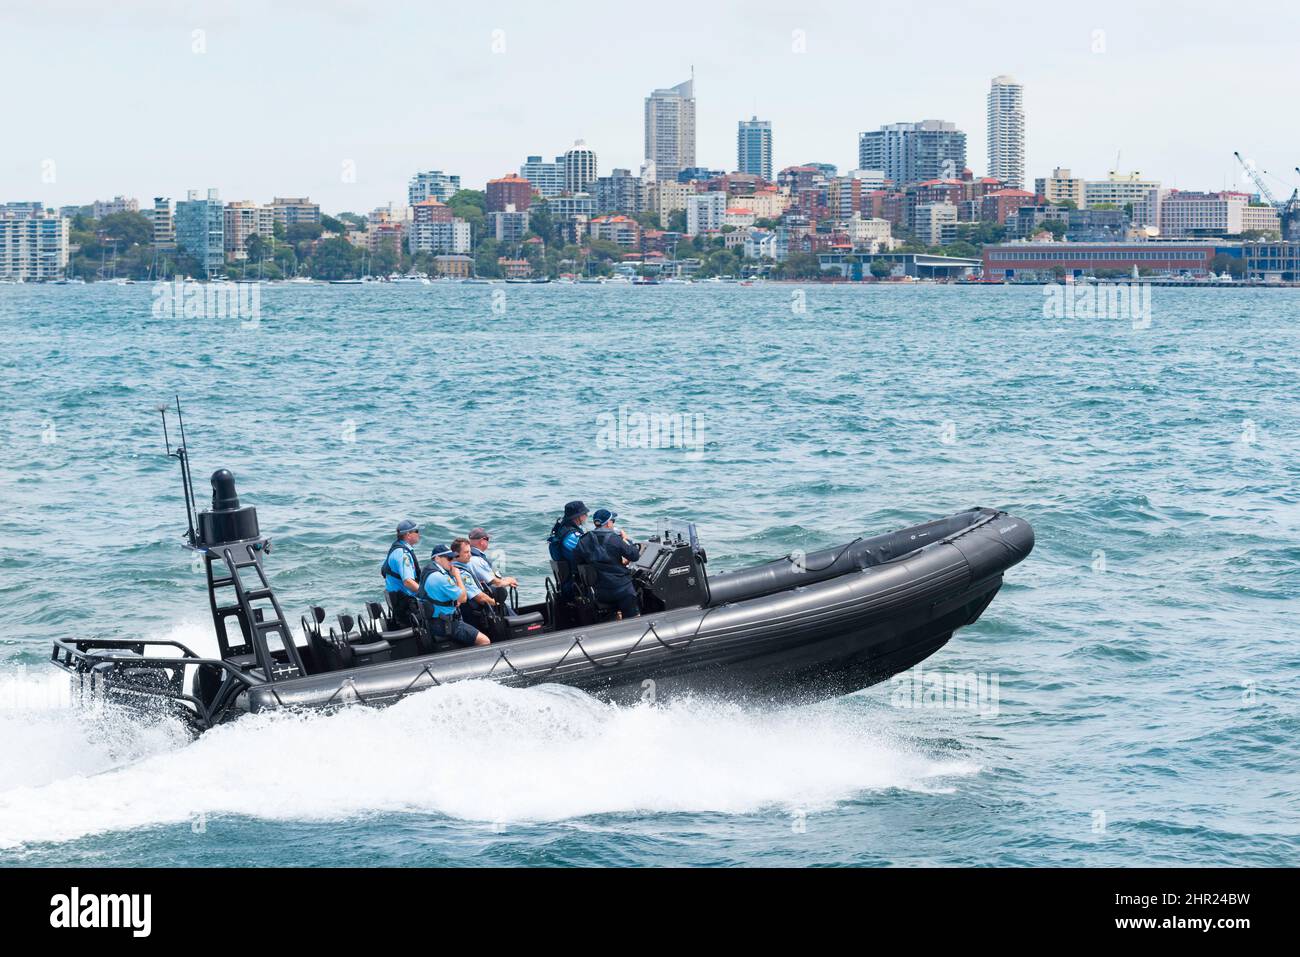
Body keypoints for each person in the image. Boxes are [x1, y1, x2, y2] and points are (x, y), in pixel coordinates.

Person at [574, 508, 642, 619]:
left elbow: (578, 561)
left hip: (601, 592)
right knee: (633, 605)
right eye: (613, 521)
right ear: (608, 523)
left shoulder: (584, 540)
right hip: (622, 590)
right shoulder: (615, 539)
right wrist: (626, 540)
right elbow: (634, 556)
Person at [419, 543, 490, 647]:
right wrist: (457, 576)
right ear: (437, 558)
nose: (452, 561)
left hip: (434, 621)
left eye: (453, 558)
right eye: (449, 558)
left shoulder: (428, 572)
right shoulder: (440, 577)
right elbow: (463, 598)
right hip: (444, 624)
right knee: (484, 640)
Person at [450, 537, 501, 634]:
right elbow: (480, 598)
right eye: (466, 552)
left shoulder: (462, 568)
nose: (470, 555)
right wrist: (496, 603)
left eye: (470, 551)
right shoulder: (461, 574)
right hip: (474, 617)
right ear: (456, 554)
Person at [381, 520, 422, 629]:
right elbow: (408, 581)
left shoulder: (396, 549)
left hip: (399, 603)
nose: (419, 534)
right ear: (408, 534)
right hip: (406, 606)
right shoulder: (402, 554)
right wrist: (427, 594)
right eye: (416, 531)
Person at [547, 500, 588, 595]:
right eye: (585, 513)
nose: (586, 516)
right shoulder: (571, 536)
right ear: (578, 517)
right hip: (574, 582)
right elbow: (586, 553)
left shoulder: (563, 529)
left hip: (568, 578)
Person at [466, 527, 518, 592]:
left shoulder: (466, 556)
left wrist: (505, 580)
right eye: (487, 539)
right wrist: (509, 581)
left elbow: (488, 578)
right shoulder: (477, 560)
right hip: (484, 598)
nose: (488, 541)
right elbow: (495, 583)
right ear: (482, 541)